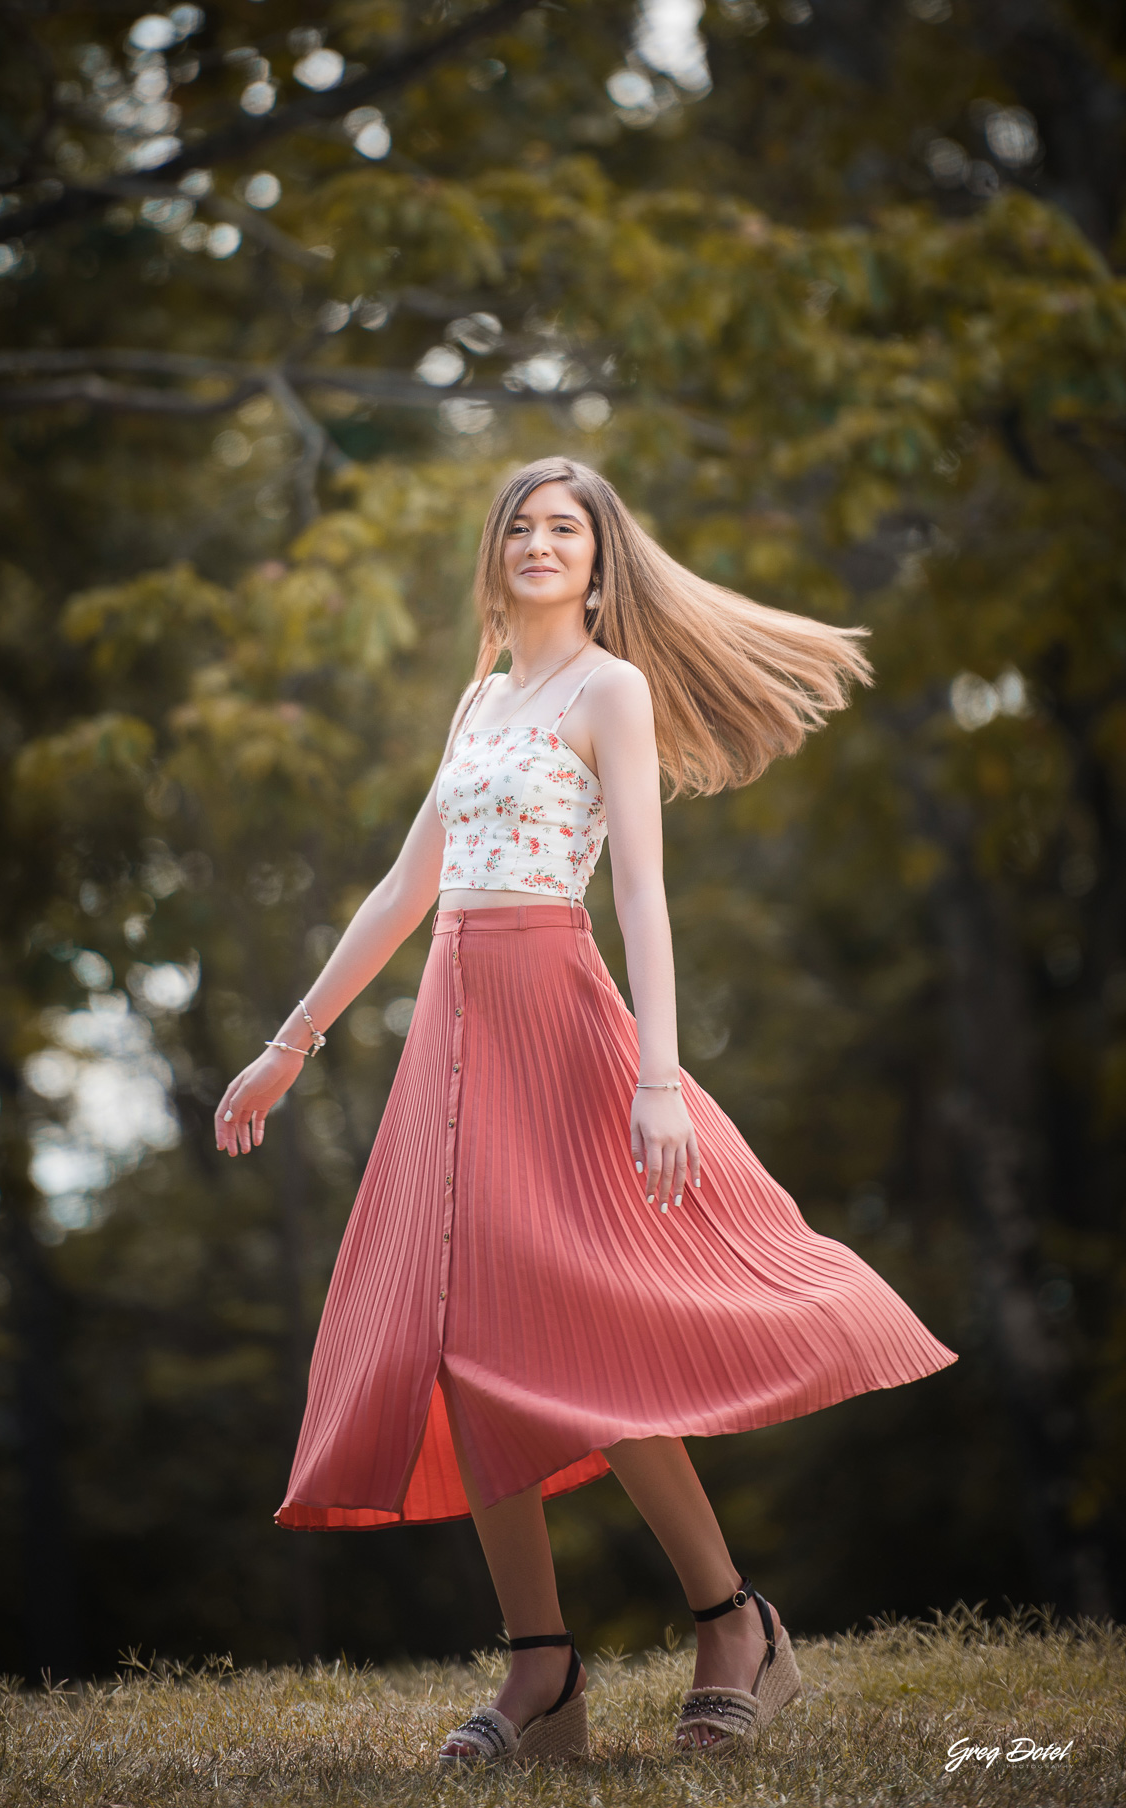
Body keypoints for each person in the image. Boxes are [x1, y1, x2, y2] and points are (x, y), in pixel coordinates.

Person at [214, 455, 958, 1767]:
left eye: (563, 527)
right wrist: (289, 1046)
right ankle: (540, 1675)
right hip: (453, 1034)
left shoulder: (611, 689)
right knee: (463, 1342)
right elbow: (401, 890)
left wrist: (656, 1076)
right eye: (519, 526)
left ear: (601, 563)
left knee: (580, 1336)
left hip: (558, 1020)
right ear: (495, 556)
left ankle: (735, 1625)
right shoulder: (479, 699)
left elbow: (641, 901)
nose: (538, 542)